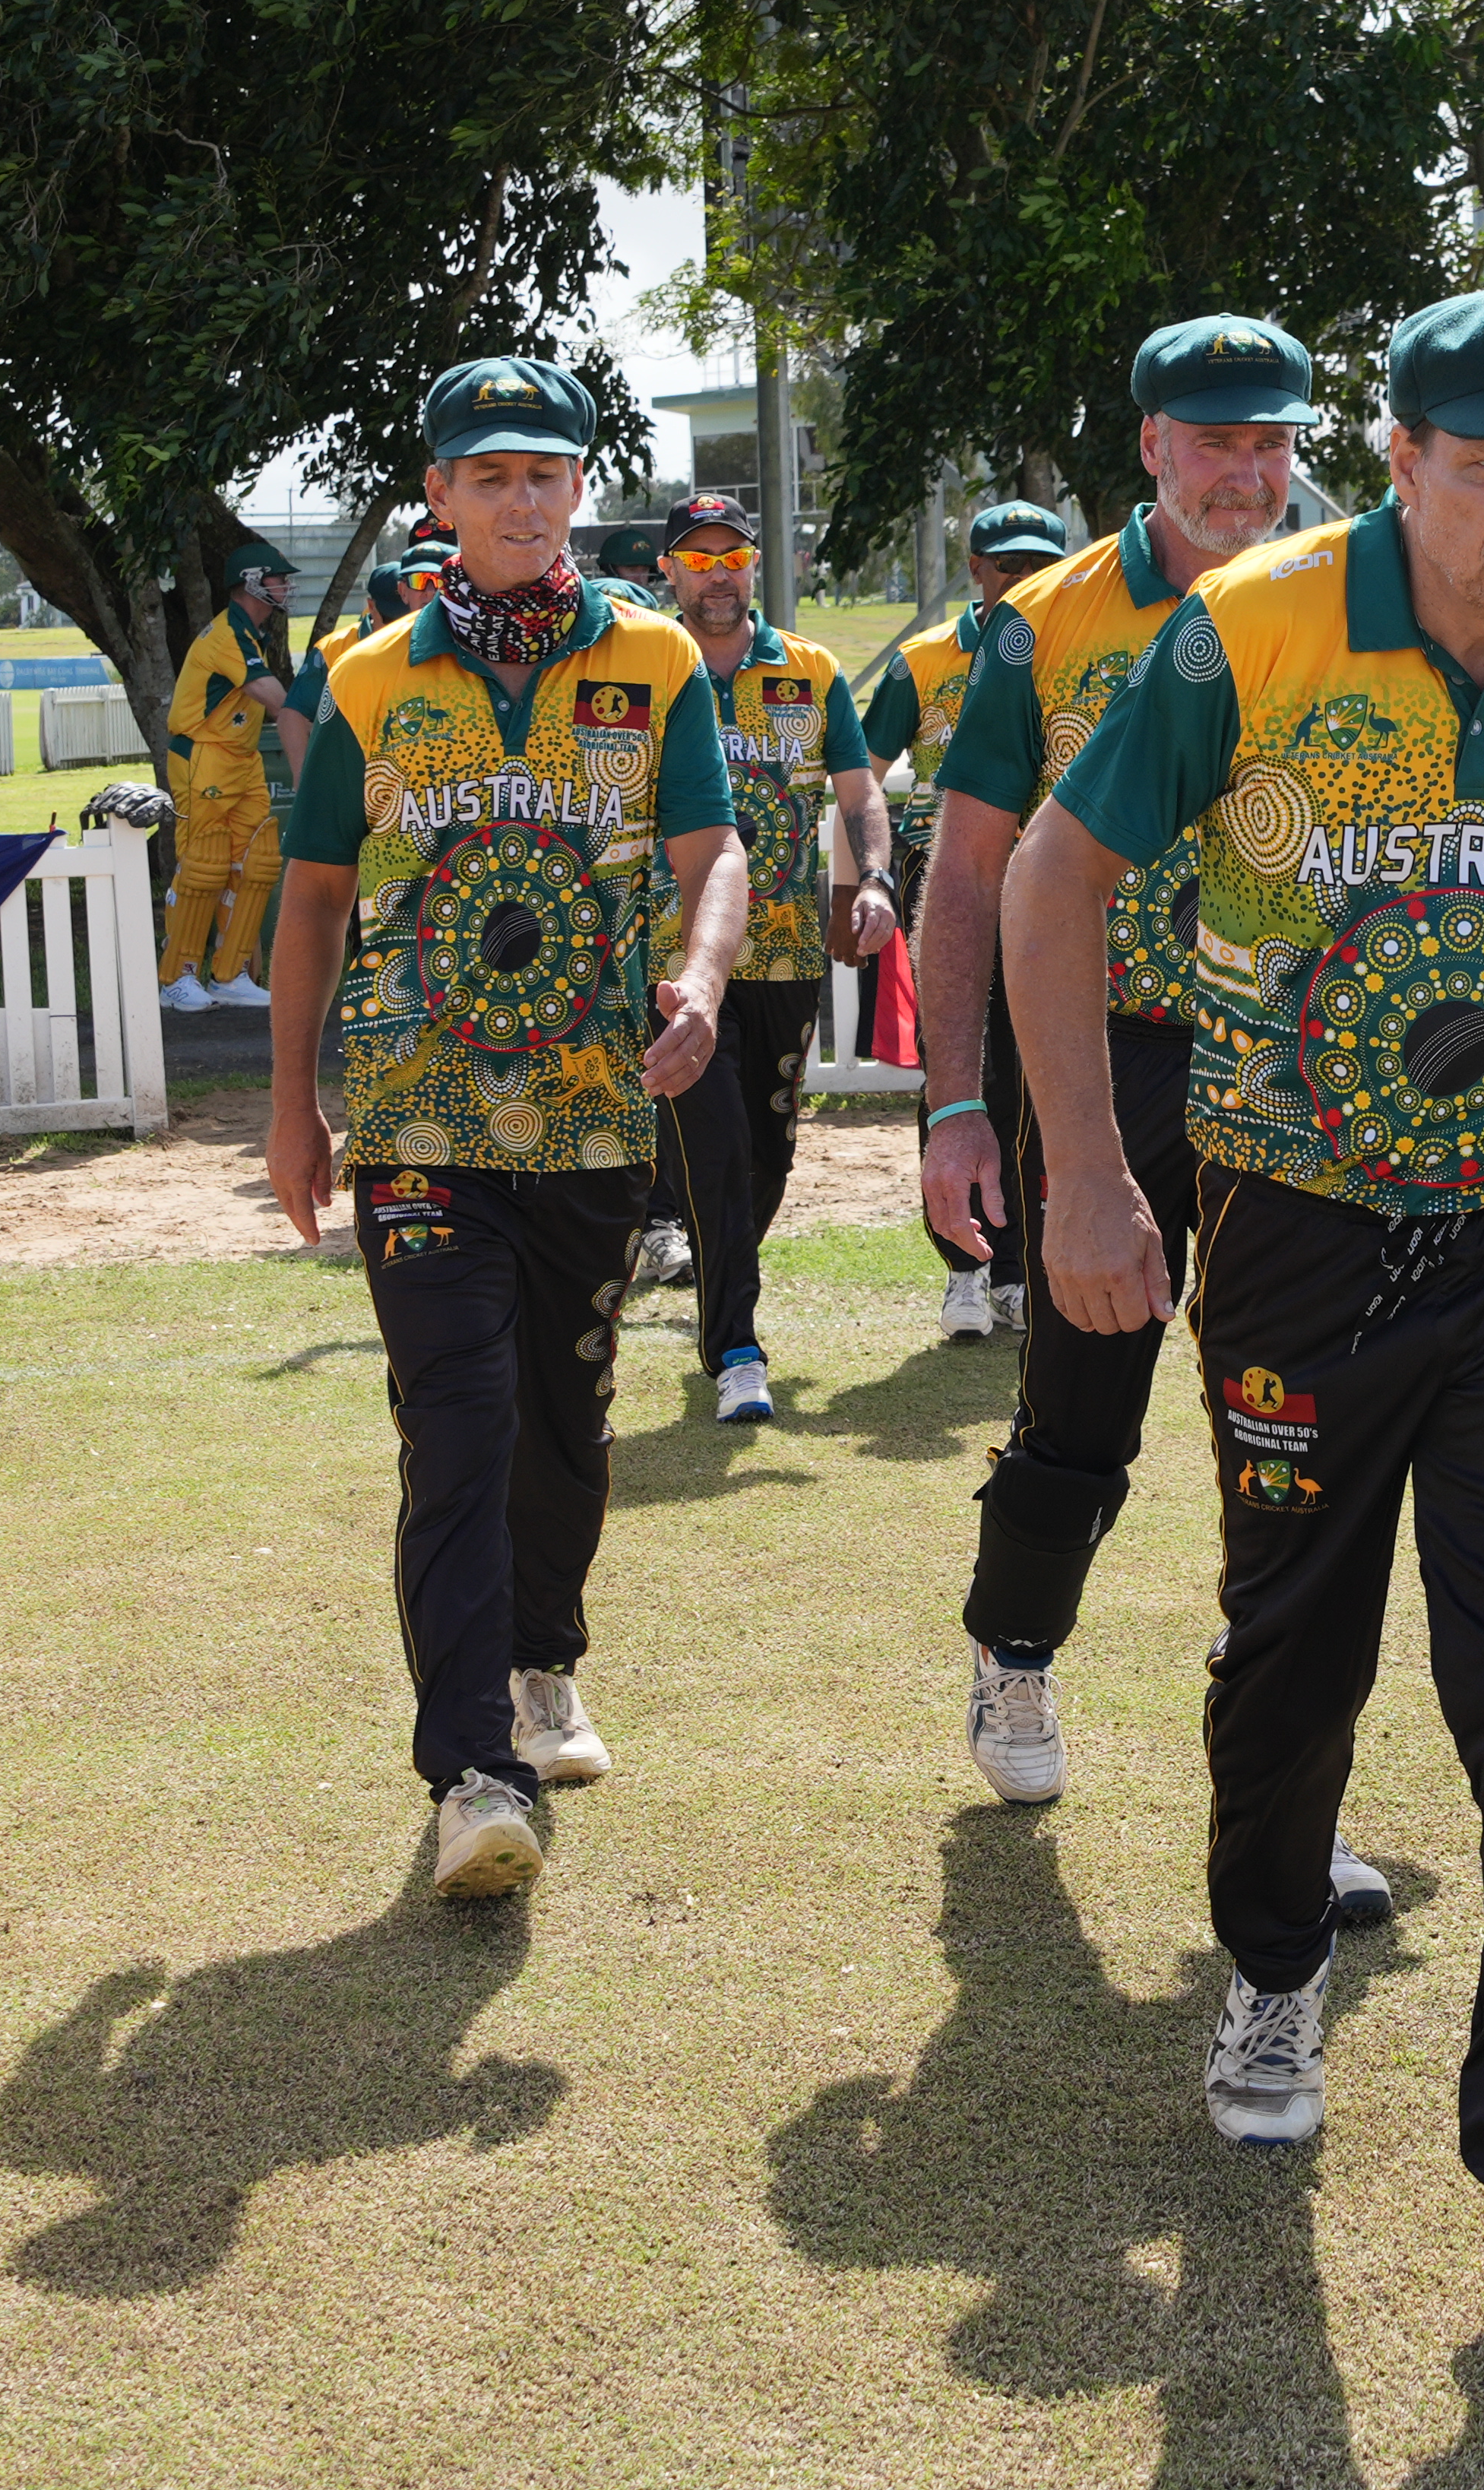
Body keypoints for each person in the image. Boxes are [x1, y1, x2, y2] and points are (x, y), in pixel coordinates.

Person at [1014, 281, 1484, 2354]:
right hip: (1296, 1228)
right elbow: (1057, 880)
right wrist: (1087, 1176)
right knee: (1296, 1650)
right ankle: (1271, 1968)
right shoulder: (1250, 630)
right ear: (1403, 461)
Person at [265, 357, 747, 1894]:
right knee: (458, 1423)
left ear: (579, 489)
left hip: (598, 1117)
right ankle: (474, 1769)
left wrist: (703, 975)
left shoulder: (655, 657)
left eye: (545, 472)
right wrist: (291, 1104)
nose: (521, 500)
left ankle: (546, 1665)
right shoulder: (366, 677)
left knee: (565, 1427)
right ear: (441, 495)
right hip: (417, 1116)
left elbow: (714, 851)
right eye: (490, 476)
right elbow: (315, 896)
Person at [914, 319, 1317, 1808]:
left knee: (1301, 1409)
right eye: (1215, 441)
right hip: (1111, 1063)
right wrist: (959, 1105)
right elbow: (968, 872)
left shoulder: (1348, 602)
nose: (1246, 472)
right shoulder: (1044, 626)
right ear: (1151, 445)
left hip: (1305, 1068)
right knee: (1084, 1398)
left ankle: (1283, 1737)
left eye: (1271, 442)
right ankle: (1016, 1650)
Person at [652, 490, 892, 1424]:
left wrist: (873, 881)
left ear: (755, 564)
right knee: (714, 1150)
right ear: (669, 570)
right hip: (677, 968)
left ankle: (722, 1284)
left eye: (733, 557)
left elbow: (859, 792)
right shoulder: (649, 667)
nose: (718, 575)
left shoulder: (810, 669)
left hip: (788, 956)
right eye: (698, 558)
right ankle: (737, 1351)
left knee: (768, 1155)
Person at [857, 499, 1071, 1340]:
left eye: (1039, 566)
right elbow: (863, 774)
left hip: (1050, 888)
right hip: (948, 888)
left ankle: (1015, 1270)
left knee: (1035, 1079)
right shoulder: (922, 662)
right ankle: (964, 1272)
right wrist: (870, 877)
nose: (1022, 581)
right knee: (956, 1077)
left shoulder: (1081, 650)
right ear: (976, 570)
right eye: (1006, 566)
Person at [154, 540, 306, 1012]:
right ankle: (176, 977)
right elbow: (277, 700)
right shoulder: (228, 636)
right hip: (204, 756)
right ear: (253, 582)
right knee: (203, 865)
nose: (286, 586)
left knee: (255, 864)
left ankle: (231, 975)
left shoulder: (251, 633)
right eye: (279, 578)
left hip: (241, 757)